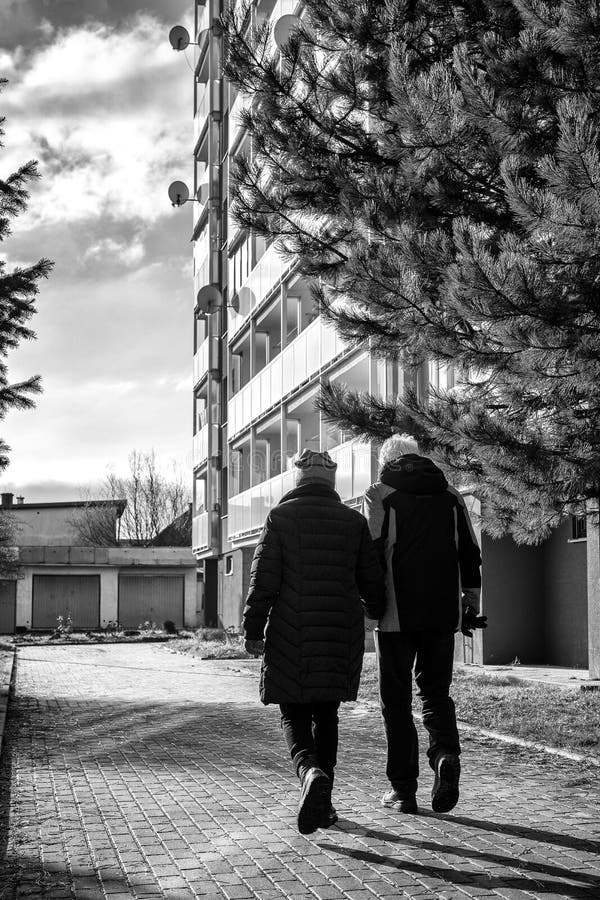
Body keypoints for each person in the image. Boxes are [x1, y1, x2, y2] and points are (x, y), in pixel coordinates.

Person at [243, 449, 385, 835]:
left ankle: (309, 772)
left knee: (294, 713)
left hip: (290, 632)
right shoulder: (352, 522)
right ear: (331, 481)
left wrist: (253, 629)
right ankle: (325, 802)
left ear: (297, 479)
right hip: (339, 634)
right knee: (326, 715)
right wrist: (377, 610)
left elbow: (264, 580)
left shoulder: (280, 518)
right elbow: (371, 581)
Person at [363, 434, 486, 815]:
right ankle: (445, 754)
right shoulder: (450, 494)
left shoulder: (379, 493)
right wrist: (469, 604)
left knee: (395, 703)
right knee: (435, 694)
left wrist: (371, 607)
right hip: (440, 614)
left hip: (395, 616)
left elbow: (371, 553)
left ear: (386, 461)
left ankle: (403, 790)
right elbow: (470, 551)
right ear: (418, 457)